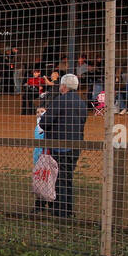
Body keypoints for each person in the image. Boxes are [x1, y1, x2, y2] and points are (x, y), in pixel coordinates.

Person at [33, 73, 88, 219]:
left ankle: (60, 211)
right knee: (68, 177)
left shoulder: (59, 101)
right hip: (75, 146)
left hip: (59, 146)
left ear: (64, 86)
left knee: (58, 178)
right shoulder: (82, 103)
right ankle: (68, 209)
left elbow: (45, 123)